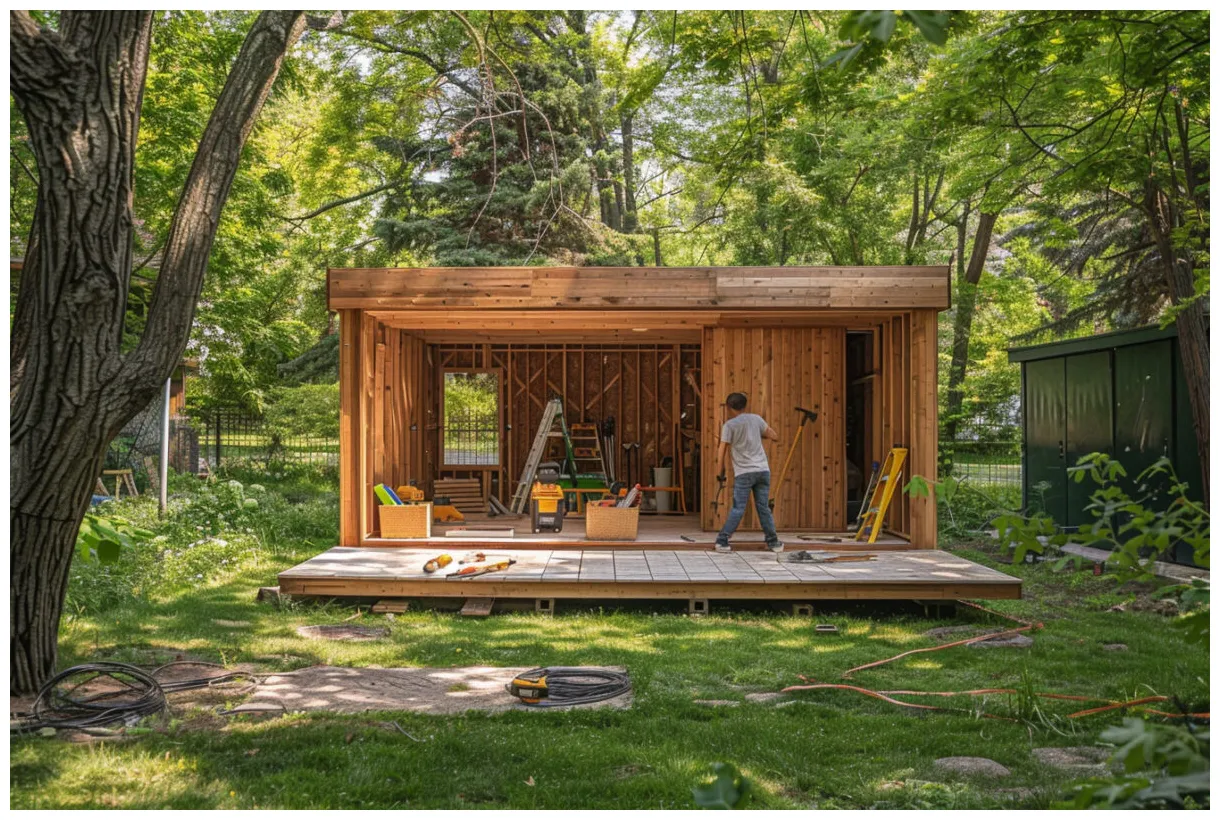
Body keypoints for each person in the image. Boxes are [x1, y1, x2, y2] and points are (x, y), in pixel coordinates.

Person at [714, 392, 783, 553]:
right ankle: (773, 542)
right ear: (745, 405)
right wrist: (759, 436)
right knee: (763, 508)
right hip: (762, 470)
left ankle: (722, 541)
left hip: (744, 473)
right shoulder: (756, 419)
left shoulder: (729, 426)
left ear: (729, 407)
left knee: (738, 508)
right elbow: (774, 436)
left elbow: (722, 450)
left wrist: (720, 472)